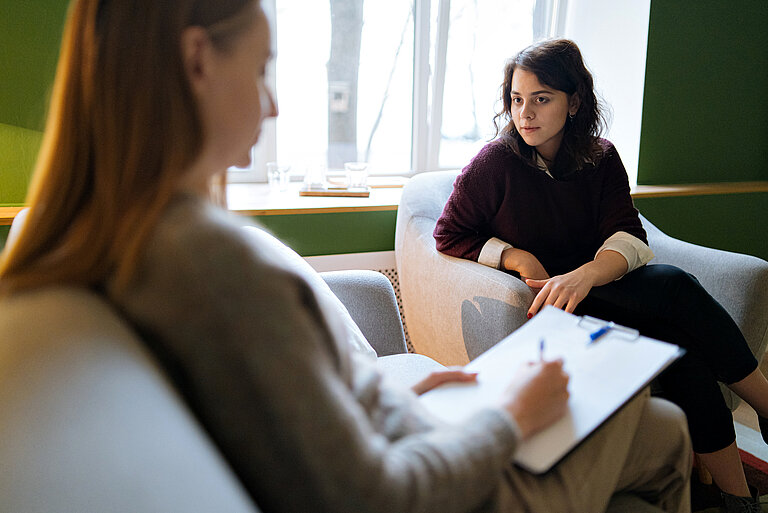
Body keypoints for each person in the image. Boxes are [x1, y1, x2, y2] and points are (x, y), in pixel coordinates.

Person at [0, 3, 692, 512]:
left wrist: (401, 389)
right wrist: (510, 415)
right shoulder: (205, 263)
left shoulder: (132, 234)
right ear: (197, 62)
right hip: (464, 490)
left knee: (662, 423)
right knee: (643, 404)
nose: (272, 105)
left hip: (409, 431)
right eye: (263, 69)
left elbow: (294, 408)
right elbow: (377, 495)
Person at [433, 38, 768, 512]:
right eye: (516, 99)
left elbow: (629, 235)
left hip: (598, 289)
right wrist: (517, 258)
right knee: (674, 297)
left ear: (574, 103)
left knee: (682, 340)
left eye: (541, 99)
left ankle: (735, 498)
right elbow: (449, 233)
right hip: (555, 306)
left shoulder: (600, 157)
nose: (524, 113)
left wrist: (586, 274)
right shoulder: (495, 164)